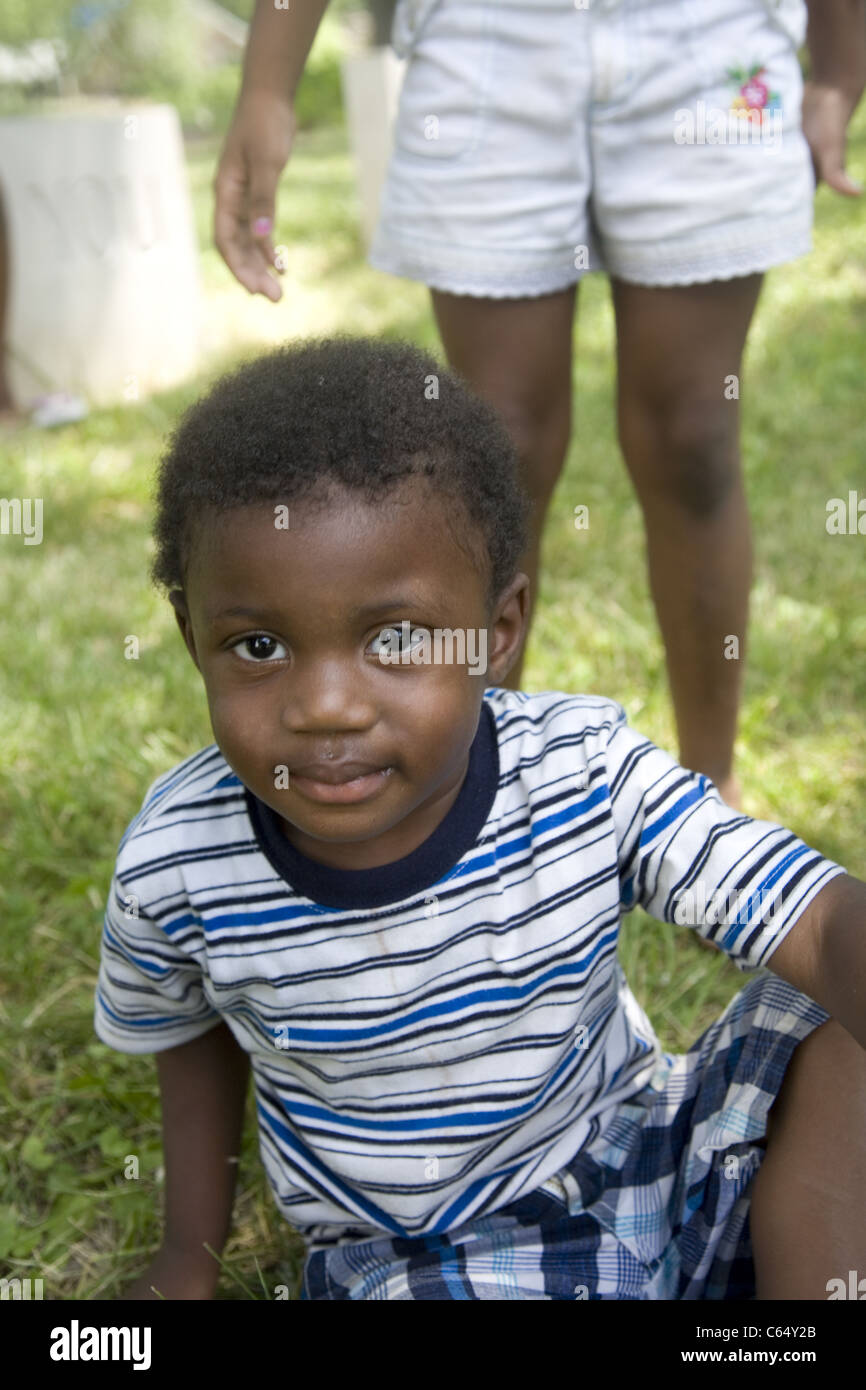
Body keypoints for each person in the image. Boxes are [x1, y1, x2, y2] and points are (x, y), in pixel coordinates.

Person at [98, 337, 866, 1301]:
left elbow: (823, 920)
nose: (326, 704)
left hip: (658, 1159)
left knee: (834, 1015)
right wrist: (185, 1256)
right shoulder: (178, 860)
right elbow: (189, 1031)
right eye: (258, 644)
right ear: (191, 641)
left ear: (496, 635)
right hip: (437, 1261)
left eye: (398, 638)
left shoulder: (582, 771)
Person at [213, 0, 864, 813]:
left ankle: (711, 792)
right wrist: (269, 88)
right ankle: (469, 805)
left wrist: (841, 60)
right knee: (499, 453)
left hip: (708, 40)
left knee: (693, 435)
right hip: (488, 43)